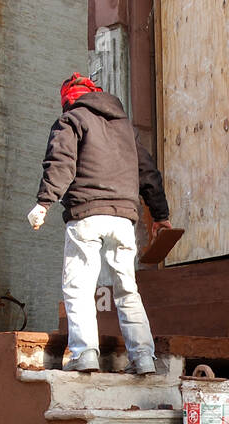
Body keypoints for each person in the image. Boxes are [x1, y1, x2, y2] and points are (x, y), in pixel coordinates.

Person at [28, 73, 171, 375]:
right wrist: (160, 215)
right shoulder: (124, 127)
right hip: (123, 218)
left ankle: (84, 353)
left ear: (68, 99)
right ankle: (144, 357)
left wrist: (44, 202)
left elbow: (61, 163)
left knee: (79, 286)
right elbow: (148, 171)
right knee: (127, 289)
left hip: (87, 214)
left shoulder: (71, 120)